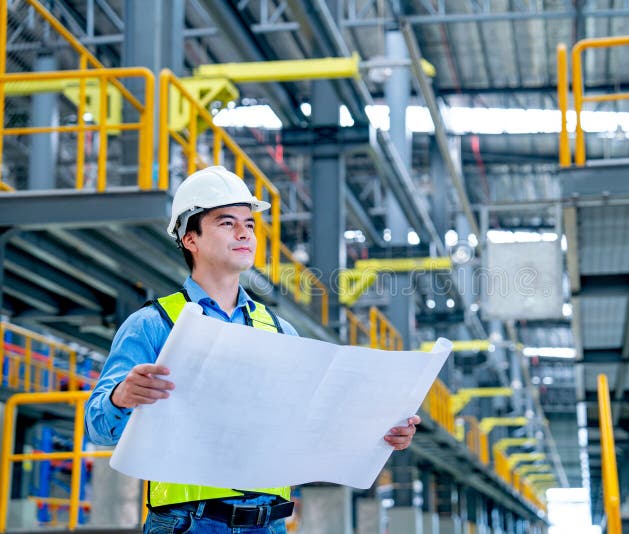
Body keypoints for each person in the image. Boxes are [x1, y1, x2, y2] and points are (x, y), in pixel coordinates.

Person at [85, 166, 420, 532]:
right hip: (187, 524)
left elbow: (310, 422)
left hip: (269, 524)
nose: (245, 232)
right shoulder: (153, 325)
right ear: (189, 239)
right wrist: (121, 397)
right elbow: (98, 428)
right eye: (227, 223)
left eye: (249, 223)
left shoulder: (278, 331)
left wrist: (379, 432)